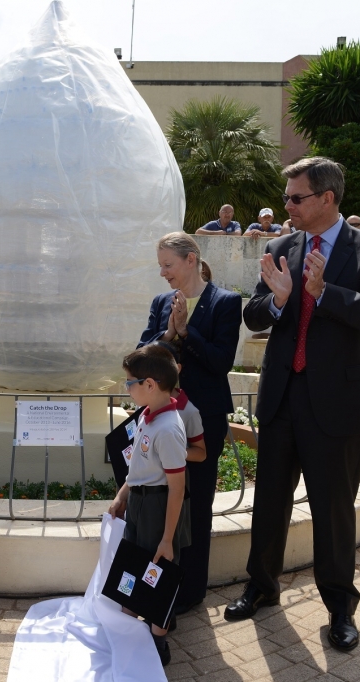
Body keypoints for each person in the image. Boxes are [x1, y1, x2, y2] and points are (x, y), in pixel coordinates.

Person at [231, 157, 360, 653]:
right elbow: (254, 313)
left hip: (337, 405)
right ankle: (261, 586)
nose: (287, 206)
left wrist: (325, 293)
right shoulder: (281, 246)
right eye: (286, 198)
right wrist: (279, 301)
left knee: (333, 512)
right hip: (283, 399)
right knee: (270, 504)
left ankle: (340, 607)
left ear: (327, 198)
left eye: (295, 197)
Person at [138, 232, 242, 614]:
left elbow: (220, 361)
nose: (163, 273)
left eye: (168, 264)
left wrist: (187, 331)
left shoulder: (226, 302)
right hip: (162, 418)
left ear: (190, 259)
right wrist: (167, 333)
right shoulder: (160, 302)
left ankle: (191, 589)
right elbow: (142, 356)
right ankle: (158, 580)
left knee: (196, 503)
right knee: (161, 500)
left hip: (204, 420)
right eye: (161, 266)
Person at [108, 345, 187, 666]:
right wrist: (123, 494)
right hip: (140, 503)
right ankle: (131, 621)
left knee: (159, 568)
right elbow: (138, 467)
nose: (127, 388)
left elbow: (177, 489)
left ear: (150, 385)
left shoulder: (168, 429)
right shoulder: (147, 415)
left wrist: (168, 538)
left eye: (130, 383)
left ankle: (158, 638)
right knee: (135, 561)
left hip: (158, 508)